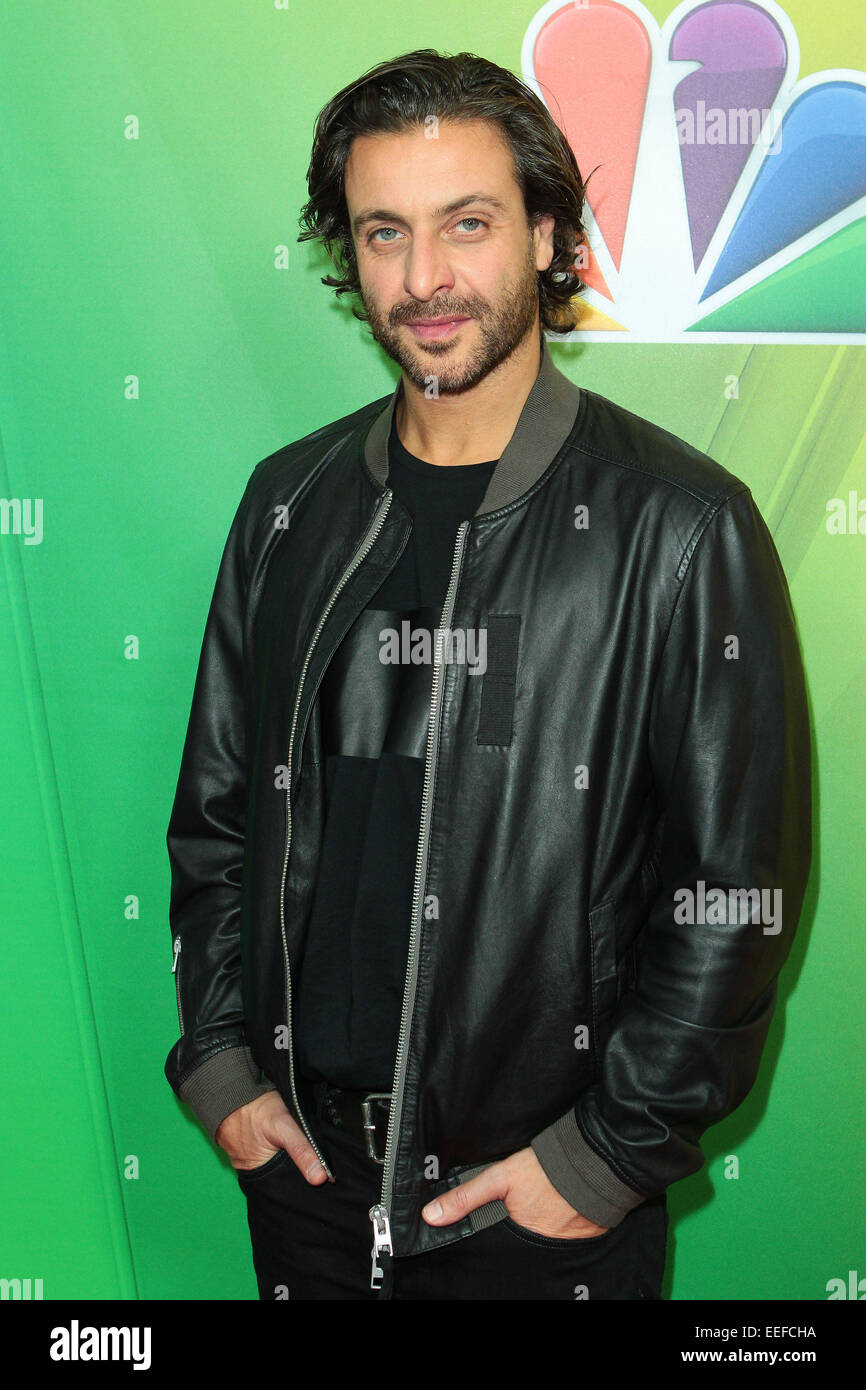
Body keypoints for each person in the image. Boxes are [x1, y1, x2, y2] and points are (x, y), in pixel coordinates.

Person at [164, 49, 812, 1301]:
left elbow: (731, 891)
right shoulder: (288, 505)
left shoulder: (679, 527)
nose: (425, 280)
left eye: (467, 225)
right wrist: (224, 1066)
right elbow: (219, 819)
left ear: (545, 234)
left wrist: (607, 1156)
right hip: (302, 1189)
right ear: (346, 257)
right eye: (383, 233)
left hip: (537, 1208)